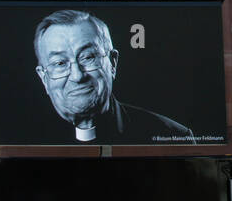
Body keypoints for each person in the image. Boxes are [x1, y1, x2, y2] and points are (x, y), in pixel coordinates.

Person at [33, 9, 194, 143]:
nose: (77, 76)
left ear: (112, 62)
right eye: (60, 63)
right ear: (43, 78)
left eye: (88, 57)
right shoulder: (22, 141)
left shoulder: (172, 136)